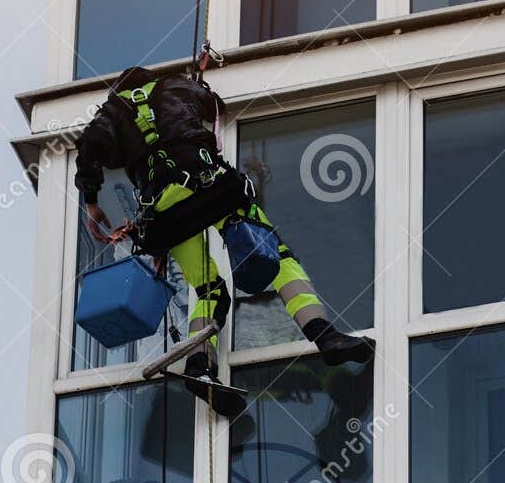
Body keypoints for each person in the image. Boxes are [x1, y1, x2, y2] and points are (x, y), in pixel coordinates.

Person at [74, 64, 373, 409]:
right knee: (279, 258)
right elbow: (212, 105)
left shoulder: (112, 112)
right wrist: (195, 87)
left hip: (165, 212)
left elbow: (90, 149)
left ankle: (200, 368)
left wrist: (93, 202)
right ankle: (325, 336)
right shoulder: (172, 87)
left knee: (208, 289)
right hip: (212, 187)